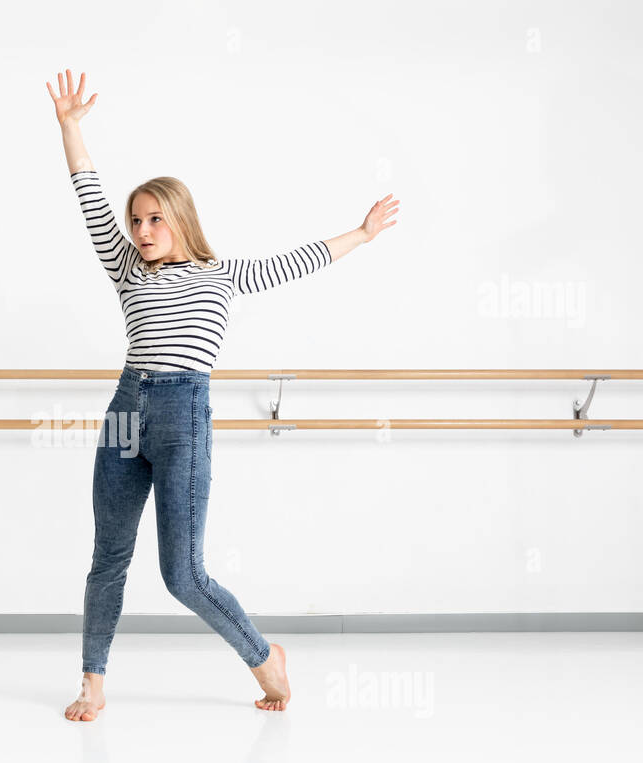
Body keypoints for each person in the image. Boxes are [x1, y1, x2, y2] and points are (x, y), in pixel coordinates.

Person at [46, 69, 399, 720]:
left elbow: (300, 260)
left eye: (154, 218)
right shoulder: (126, 267)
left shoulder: (223, 276)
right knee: (108, 558)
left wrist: (363, 233)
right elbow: (88, 194)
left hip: (183, 415)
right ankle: (93, 683)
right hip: (127, 411)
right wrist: (70, 126)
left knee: (182, 573)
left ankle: (266, 658)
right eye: (136, 220)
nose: (142, 229)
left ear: (178, 220)